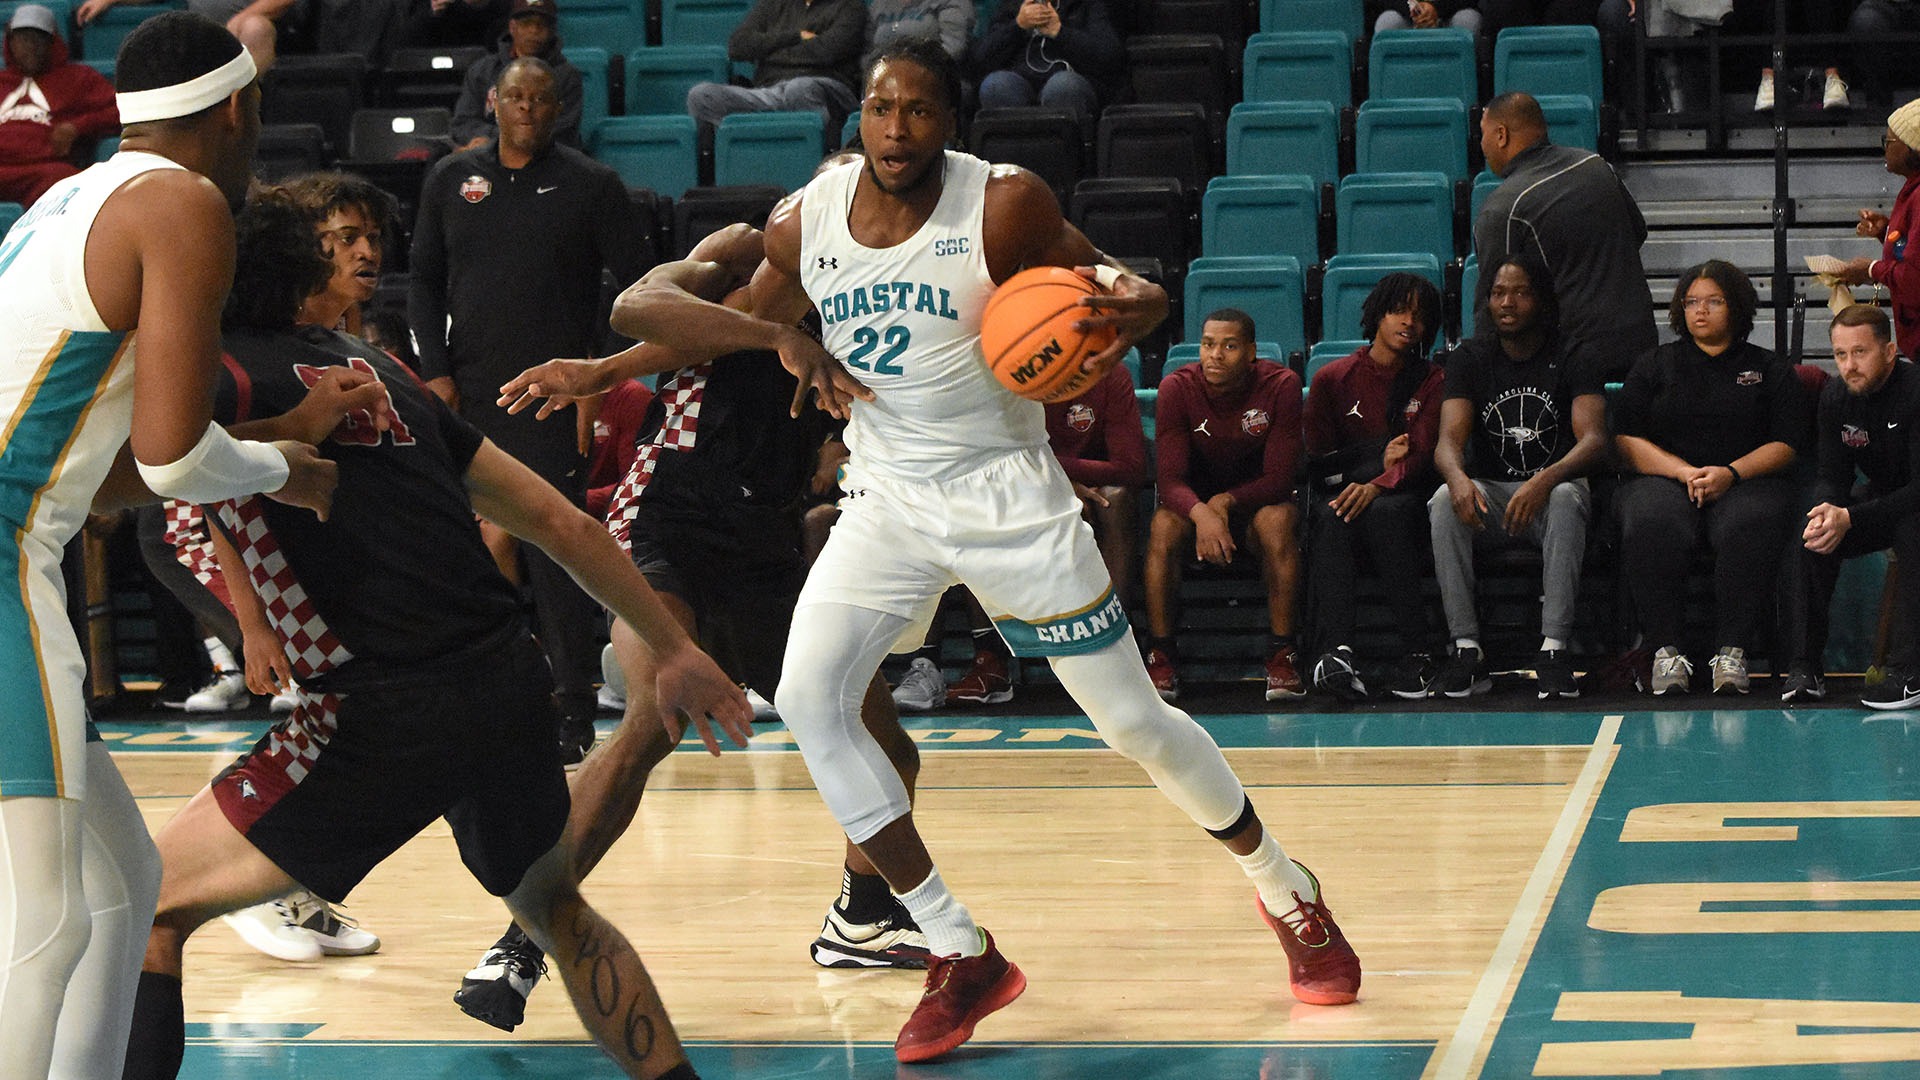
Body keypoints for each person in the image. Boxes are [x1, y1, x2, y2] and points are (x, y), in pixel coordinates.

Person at [611, 38, 1362, 1063]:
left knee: (1134, 726)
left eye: (918, 111)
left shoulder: (1003, 206)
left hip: (1008, 498)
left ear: (950, 123)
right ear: (859, 116)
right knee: (812, 697)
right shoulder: (808, 218)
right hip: (884, 500)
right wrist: (604, 364)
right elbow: (706, 321)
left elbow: (1126, 293)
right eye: (880, 108)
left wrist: (1122, 315)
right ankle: (958, 949)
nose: (895, 129)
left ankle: (1287, 887)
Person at [118, 180, 751, 1080]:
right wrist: (678, 650)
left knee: (149, 905)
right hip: (505, 683)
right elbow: (564, 526)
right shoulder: (381, 373)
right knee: (556, 912)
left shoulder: (210, 378)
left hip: (378, 714)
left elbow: (148, 466)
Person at [453, 221, 930, 1034]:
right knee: (652, 721)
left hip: (766, 542)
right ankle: (523, 938)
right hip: (669, 516)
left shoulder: (882, 297)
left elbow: (676, 353)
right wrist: (776, 335)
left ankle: (862, 917)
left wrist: (607, 372)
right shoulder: (752, 251)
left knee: (886, 741)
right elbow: (643, 308)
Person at [0, 13, 340, 1078]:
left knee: (121, 885)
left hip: (21, 536)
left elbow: (108, 473)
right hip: (2, 564)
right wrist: (292, 471)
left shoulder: (71, 198)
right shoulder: (184, 202)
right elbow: (175, 462)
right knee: (49, 919)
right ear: (237, 109)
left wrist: (277, 434)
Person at [411, 55, 643, 763]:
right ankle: (472, 696)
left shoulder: (592, 185)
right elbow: (423, 281)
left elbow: (639, 291)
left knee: (556, 548)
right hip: (470, 396)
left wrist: (596, 381)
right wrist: (437, 377)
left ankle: (572, 707)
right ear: (492, 101)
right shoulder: (451, 179)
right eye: (516, 97)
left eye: (542, 100)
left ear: (557, 109)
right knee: (466, 551)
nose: (528, 110)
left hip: (551, 399)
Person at [1612, 260, 1805, 696]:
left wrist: (1731, 473)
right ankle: (1666, 652)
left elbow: (1789, 443)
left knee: (1750, 523)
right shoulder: (1654, 365)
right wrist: (1681, 471)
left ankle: (1731, 652)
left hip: (1745, 480)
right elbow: (1624, 440)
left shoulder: (1769, 368)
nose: (1701, 311)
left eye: (1714, 301)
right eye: (1692, 302)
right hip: (1665, 479)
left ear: (1736, 307)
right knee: (1650, 518)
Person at [1428, 253, 1608, 699]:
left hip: (1553, 495)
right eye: (1497, 293)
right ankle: (1467, 650)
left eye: (1520, 292)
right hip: (1492, 497)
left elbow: (1594, 440)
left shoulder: (1573, 352)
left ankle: (1553, 650)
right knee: (1441, 502)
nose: (1506, 302)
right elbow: (1447, 443)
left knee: (1567, 496)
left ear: (1542, 299)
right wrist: (1457, 478)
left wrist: (1544, 479)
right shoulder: (1471, 357)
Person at [1145, 310, 1306, 703]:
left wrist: (1225, 502)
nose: (1215, 354)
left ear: (1251, 353)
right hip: (1191, 509)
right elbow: (1169, 481)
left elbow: (1280, 480)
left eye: (1229, 346)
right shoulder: (1176, 388)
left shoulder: (1281, 385)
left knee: (1279, 520)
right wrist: (1203, 512)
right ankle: (1162, 655)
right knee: (1163, 528)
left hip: (1256, 504)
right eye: (1208, 344)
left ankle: (1282, 654)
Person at [1301, 273, 1447, 701]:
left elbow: (1421, 455)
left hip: (1411, 500)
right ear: (1378, 315)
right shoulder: (1333, 379)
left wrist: (1379, 485)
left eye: (1420, 317)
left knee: (1386, 512)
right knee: (1332, 512)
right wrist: (1373, 464)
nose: (1409, 322)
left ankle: (1418, 654)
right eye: (1399, 310)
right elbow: (1319, 467)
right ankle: (1336, 654)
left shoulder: (1432, 379)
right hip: (1348, 499)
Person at [1785, 304, 1920, 707]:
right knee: (1813, 536)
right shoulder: (1836, 398)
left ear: (1890, 351)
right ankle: (1805, 667)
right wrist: (1828, 511)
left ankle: (1909, 672)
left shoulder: (1916, 391)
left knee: (1915, 531)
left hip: (1915, 500)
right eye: (1840, 355)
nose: (1849, 365)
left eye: (1860, 352)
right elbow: (1832, 474)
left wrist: (1851, 516)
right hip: (1883, 501)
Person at [1475, 91, 1656, 380]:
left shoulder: (1504, 208)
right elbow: (1639, 233)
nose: (1481, 146)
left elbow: (1496, 308)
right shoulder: (1596, 166)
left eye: (1482, 134)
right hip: (1641, 346)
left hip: (1572, 365)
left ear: (1501, 135)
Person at [1046, 360, 1147, 611]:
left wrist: (1057, 469)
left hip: (1099, 486)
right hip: (1039, 485)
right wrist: (1062, 484)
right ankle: (1050, 633)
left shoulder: (1112, 373)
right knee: (1055, 502)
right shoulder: (1023, 379)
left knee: (1114, 499)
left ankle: (1117, 623)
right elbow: (1014, 460)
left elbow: (1131, 467)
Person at [0, 4, 118, 208]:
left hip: (43, 170)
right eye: (22, 38)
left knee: (68, 182)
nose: (30, 46)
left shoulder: (79, 77)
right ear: (10, 42)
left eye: (38, 38)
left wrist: (78, 127)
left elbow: (121, 109)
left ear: (52, 41)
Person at [685, 0, 866, 133]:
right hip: (767, 92)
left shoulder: (850, 7)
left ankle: (821, 160)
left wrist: (767, 52)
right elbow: (738, 46)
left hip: (824, 87)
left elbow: (826, 51)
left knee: (798, 88)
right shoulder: (772, 5)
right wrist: (796, 37)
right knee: (701, 95)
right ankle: (752, 151)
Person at [1838, 100, 1920, 362]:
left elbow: (1915, 280)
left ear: (1911, 148)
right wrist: (1886, 233)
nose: (1884, 147)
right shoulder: (1913, 189)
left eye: (1889, 141)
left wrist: (1871, 269)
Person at [451, 0, 584, 151]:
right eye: (526, 23)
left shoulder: (566, 76)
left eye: (541, 25)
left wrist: (494, 141)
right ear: (512, 27)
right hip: (484, 157)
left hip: (544, 162)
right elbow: (463, 123)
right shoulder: (482, 70)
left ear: (552, 30)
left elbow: (561, 133)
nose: (534, 30)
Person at [969, 0, 1123, 120]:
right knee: (996, 85)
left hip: (1071, 77)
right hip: (1020, 79)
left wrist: (1059, 32)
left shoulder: (1087, 5)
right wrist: (1017, 26)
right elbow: (981, 57)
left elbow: (1109, 55)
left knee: (1062, 86)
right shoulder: (1014, 5)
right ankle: (1013, 156)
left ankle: (1069, 157)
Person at [866, 0, 973, 64]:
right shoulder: (880, 4)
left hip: (935, 78)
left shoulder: (949, 2)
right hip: (882, 77)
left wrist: (911, 68)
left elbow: (954, 49)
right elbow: (867, 51)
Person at [1373, 0, 1483, 41]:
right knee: (1387, 23)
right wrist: (1413, 9)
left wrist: (1436, 9)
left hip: (1449, 14)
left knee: (1468, 20)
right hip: (1406, 16)